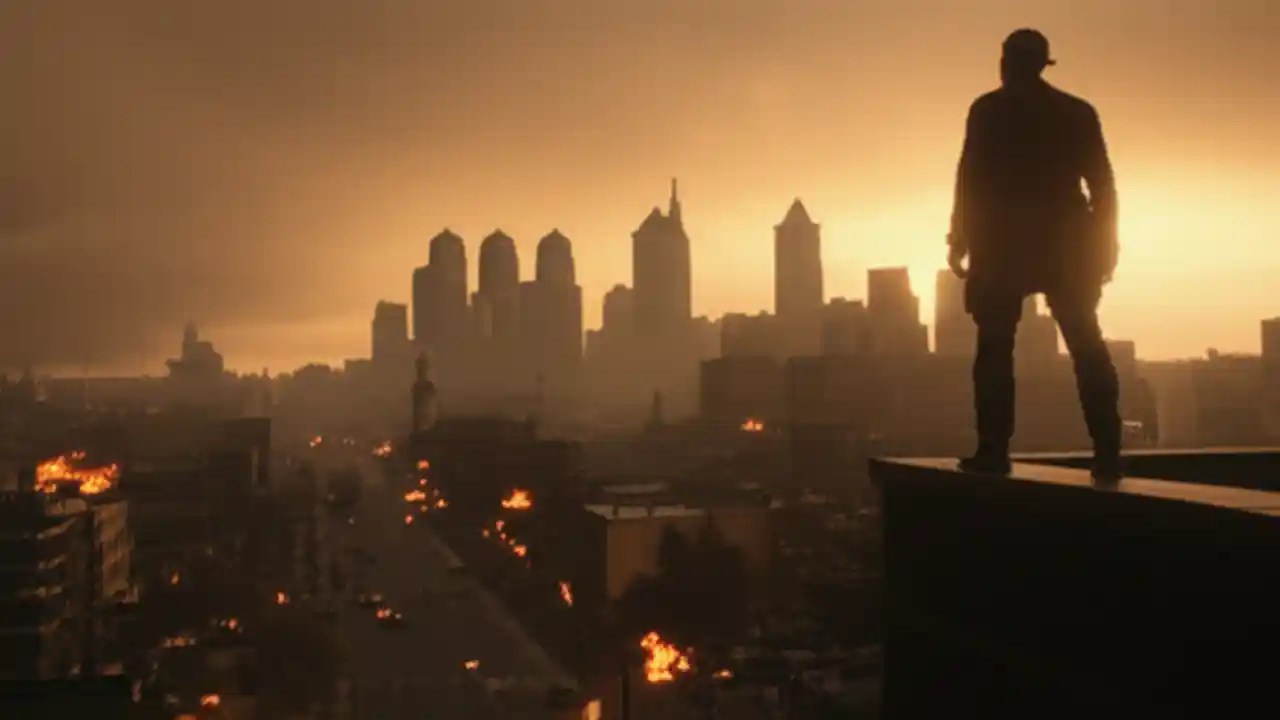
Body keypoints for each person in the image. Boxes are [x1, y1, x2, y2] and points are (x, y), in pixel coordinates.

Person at [947, 29, 1122, 481]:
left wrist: (960, 237)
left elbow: (970, 178)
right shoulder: (1075, 112)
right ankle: (1107, 449)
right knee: (1086, 344)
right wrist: (1104, 248)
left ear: (1008, 61)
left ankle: (992, 449)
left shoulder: (988, 111)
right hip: (1064, 244)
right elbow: (1102, 187)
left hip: (1004, 243)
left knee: (995, 349)